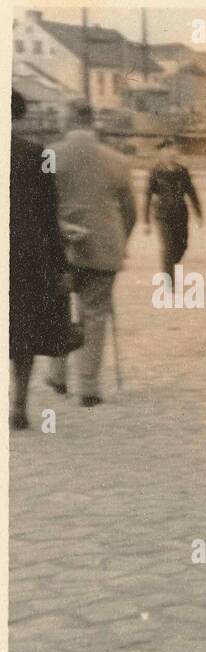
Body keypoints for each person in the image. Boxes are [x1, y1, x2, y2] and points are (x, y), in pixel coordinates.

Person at [45, 100, 136, 409]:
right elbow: (130, 212)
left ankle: (57, 375)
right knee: (94, 315)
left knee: (57, 307)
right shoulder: (118, 160)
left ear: (70, 120)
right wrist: (120, 243)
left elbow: (37, 204)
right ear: (90, 122)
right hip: (103, 248)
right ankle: (89, 387)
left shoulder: (50, 155)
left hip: (60, 246)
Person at [9, 90, 70, 429]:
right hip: (26, 256)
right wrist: (61, 266)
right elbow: (50, 215)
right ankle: (19, 403)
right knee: (22, 331)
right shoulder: (39, 154)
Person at [144, 138, 202, 292]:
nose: (170, 153)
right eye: (166, 151)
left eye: (172, 150)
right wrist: (146, 221)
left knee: (182, 245)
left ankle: (169, 263)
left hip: (181, 213)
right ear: (160, 154)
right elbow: (148, 195)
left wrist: (199, 213)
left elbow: (191, 192)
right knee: (167, 247)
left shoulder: (182, 171)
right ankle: (169, 283)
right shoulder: (155, 172)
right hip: (162, 213)